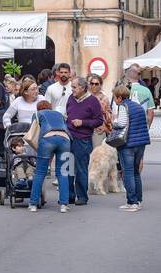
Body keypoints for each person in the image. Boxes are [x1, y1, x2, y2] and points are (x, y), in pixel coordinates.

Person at [111, 84, 151, 212]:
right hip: (141, 143)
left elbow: (122, 123)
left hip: (128, 144)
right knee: (135, 172)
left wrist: (113, 123)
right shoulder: (138, 106)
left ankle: (131, 202)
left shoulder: (123, 106)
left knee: (127, 172)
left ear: (118, 98)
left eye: (115, 98)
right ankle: (138, 200)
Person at [65, 76, 104, 206]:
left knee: (81, 168)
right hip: (69, 137)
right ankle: (69, 195)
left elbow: (99, 121)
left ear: (82, 88)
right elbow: (68, 113)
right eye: (72, 87)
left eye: (74, 87)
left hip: (83, 140)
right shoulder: (71, 98)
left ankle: (82, 196)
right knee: (68, 167)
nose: (72, 90)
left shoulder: (93, 101)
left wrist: (83, 122)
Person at [28, 100, 72, 213]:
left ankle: (33, 204)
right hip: (65, 140)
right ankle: (64, 204)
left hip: (47, 139)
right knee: (63, 172)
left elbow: (33, 131)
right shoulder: (59, 114)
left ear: (38, 109)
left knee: (40, 172)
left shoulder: (38, 114)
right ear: (50, 107)